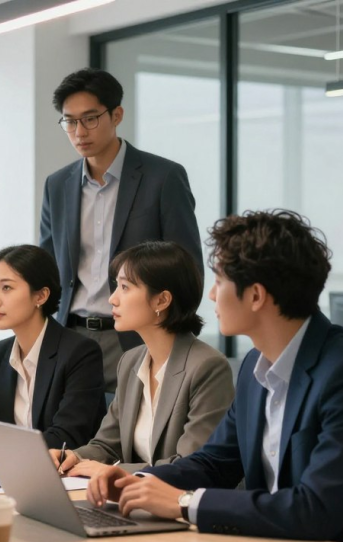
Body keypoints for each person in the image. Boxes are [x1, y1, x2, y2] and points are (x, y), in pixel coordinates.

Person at [87, 210, 343, 542]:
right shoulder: (254, 367)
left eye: (220, 281)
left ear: (256, 296)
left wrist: (183, 502)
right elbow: (214, 463)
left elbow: (316, 509)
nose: (212, 295)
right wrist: (136, 481)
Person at [40, 68, 202, 395]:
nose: (78, 132)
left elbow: (188, 267)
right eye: (69, 121)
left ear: (117, 115)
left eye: (90, 119)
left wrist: (168, 333)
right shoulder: (57, 185)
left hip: (138, 335)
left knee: (133, 440)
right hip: (71, 336)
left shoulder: (163, 177)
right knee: (73, 439)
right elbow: (45, 268)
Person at [54, 241, 234, 475]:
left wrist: (118, 472)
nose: (112, 299)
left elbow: (191, 465)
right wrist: (72, 456)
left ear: (161, 300)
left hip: (177, 502)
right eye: (116, 286)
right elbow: (107, 445)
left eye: (125, 287)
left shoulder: (207, 366)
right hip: (130, 500)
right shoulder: (130, 360)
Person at [0, 244, 106, 457]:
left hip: (66, 477)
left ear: (41, 296)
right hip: (13, 473)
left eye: (6, 288)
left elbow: (66, 438)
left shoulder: (80, 353)